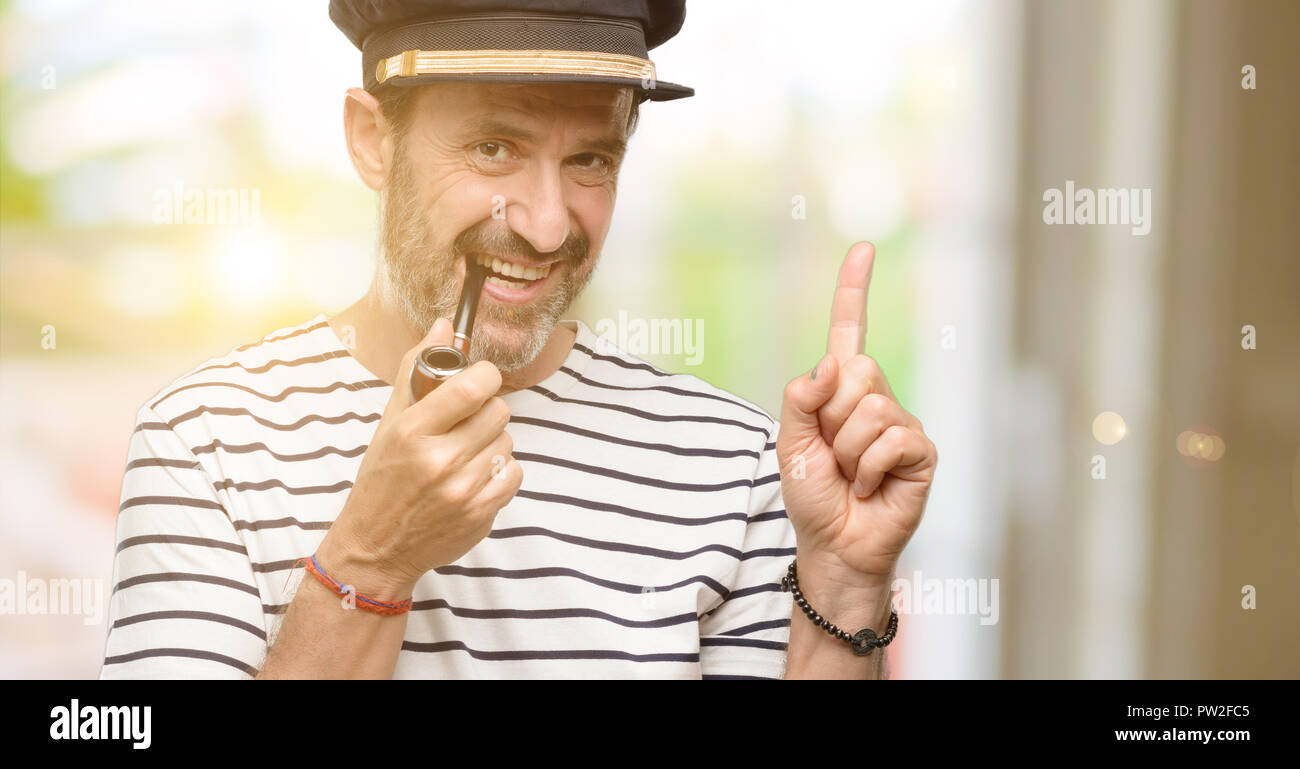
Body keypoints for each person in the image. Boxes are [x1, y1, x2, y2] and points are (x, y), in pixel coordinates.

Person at [101, 0, 937, 679]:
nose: (544, 227)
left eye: (591, 160)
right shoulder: (205, 441)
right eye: (494, 148)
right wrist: (371, 558)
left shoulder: (734, 459)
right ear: (372, 141)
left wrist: (846, 584)